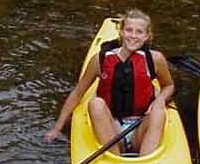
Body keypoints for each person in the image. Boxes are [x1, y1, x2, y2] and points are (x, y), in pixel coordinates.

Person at [44, 9, 175, 156]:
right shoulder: (99, 60)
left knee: (159, 111)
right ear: (121, 32)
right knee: (95, 104)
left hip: (141, 128)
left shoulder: (155, 59)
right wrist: (57, 128)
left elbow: (169, 86)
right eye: (129, 30)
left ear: (147, 36)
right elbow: (77, 94)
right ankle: (114, 158)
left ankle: (146, 161)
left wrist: (160, 99)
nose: (133, 36)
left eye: (139, 32)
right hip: (112, 129)